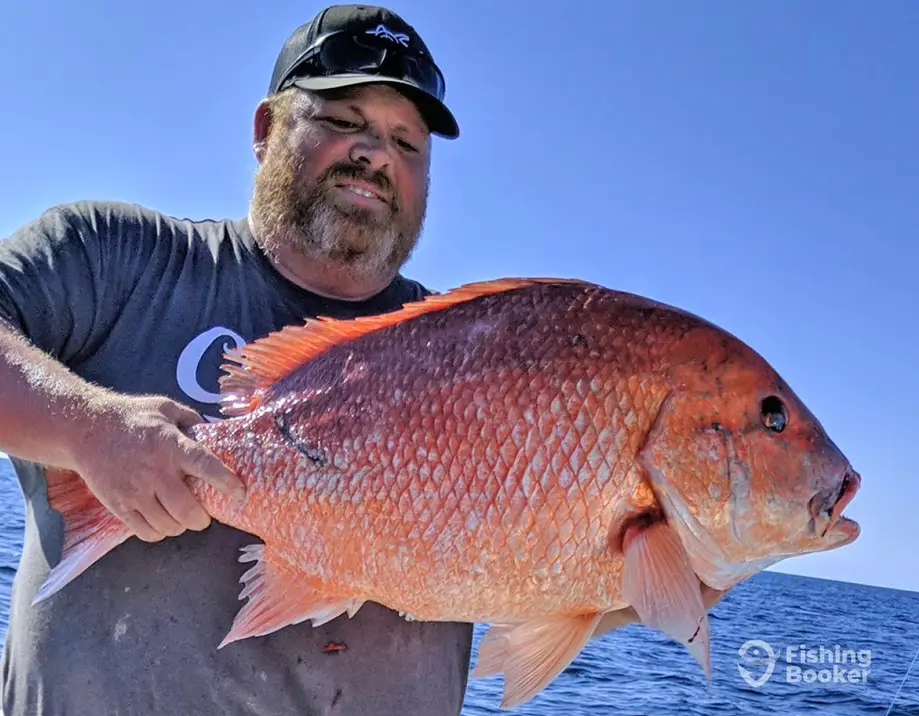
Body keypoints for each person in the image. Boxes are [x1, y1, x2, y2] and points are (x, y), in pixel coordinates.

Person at [0, 5, 474, 715]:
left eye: (406, 142)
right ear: (266, 130)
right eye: (344, 121)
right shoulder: (113, 256)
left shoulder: (470, 351)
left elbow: (549, 581)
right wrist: (88, 429)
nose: (376, 154)